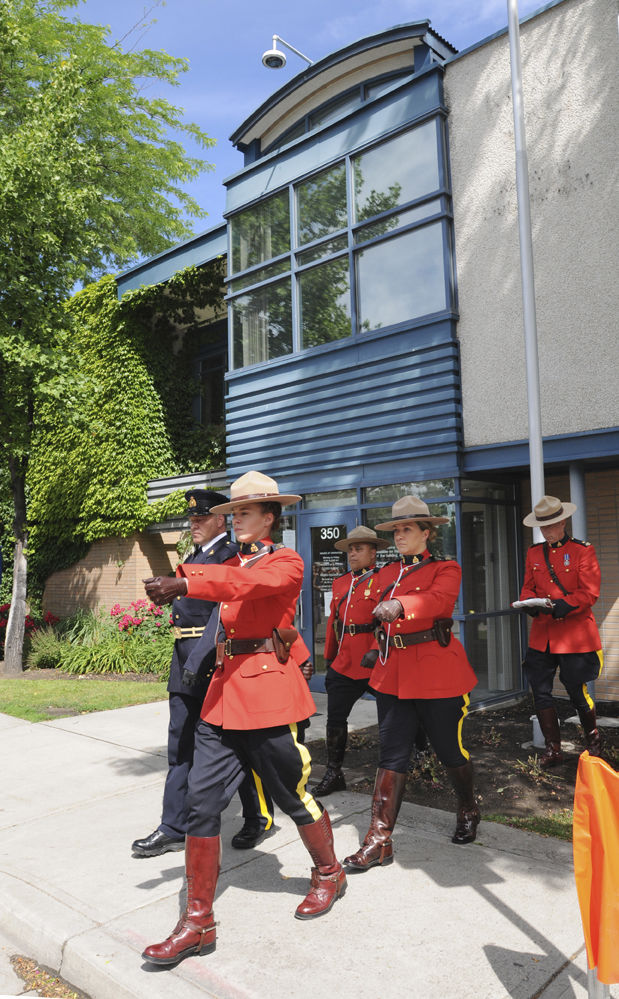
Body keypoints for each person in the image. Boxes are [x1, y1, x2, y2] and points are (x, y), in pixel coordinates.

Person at [141, 471, 346, 966]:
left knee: (292, 795)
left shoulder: (286, 561)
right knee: (201, 804)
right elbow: (220, 591)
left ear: (270, 516)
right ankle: (198, 923)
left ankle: (329, 873)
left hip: (266, 694)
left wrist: (187, 580)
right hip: (223, 694)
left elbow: (247, 584)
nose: (236, 520)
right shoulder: (231, 560)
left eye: (245, 512)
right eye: (232, 513)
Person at [131, 488, 274, 858]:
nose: (193, 524)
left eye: (201, 518)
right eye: (191, 519)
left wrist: (200, 659)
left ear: (219, 520)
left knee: (237, 744)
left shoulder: (231, 555)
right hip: (184, 659)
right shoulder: (194, 555)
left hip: (214, 658)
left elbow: (223, 615)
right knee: (180, 745)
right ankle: (173, 826)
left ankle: (258, 815)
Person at [344, 495, 480, 872]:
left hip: (437, 674)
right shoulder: (387, 573)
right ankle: (379, 840)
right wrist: (374, 648)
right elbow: (378, 620)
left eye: (407, 529)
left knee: (449, 751)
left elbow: (438, 601)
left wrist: (402, 605)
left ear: (426, 533)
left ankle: (468, 807)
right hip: (393, 673)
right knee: (391, 755)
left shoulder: (445, 568)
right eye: (396, 530)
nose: (400, 535)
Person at [516, 494, 603, 767]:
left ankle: (593, 742)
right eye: (543, 526)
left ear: (563, 522)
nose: (547, 531)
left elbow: (590, 593)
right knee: (540, 691)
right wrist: (529, 603)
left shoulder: (582, 550)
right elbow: (528, 587)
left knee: (576, 691)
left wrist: (563, 605)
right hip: (542, 636)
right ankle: (553, 749)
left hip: (574, 635)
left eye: (552, 525)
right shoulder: (534, 553)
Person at [313, 526, 388, 795]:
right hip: (345, 662)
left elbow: (388, 621)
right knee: (335, 719)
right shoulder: (341, 582)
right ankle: (334, 772)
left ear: (373, 552)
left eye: (359, 549)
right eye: (350, 549)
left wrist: (376, 649)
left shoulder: (383, 580)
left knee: (397, 714)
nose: (352, 554)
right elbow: (334, 623)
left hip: (375, 661)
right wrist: (329, 657)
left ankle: (416, 759)